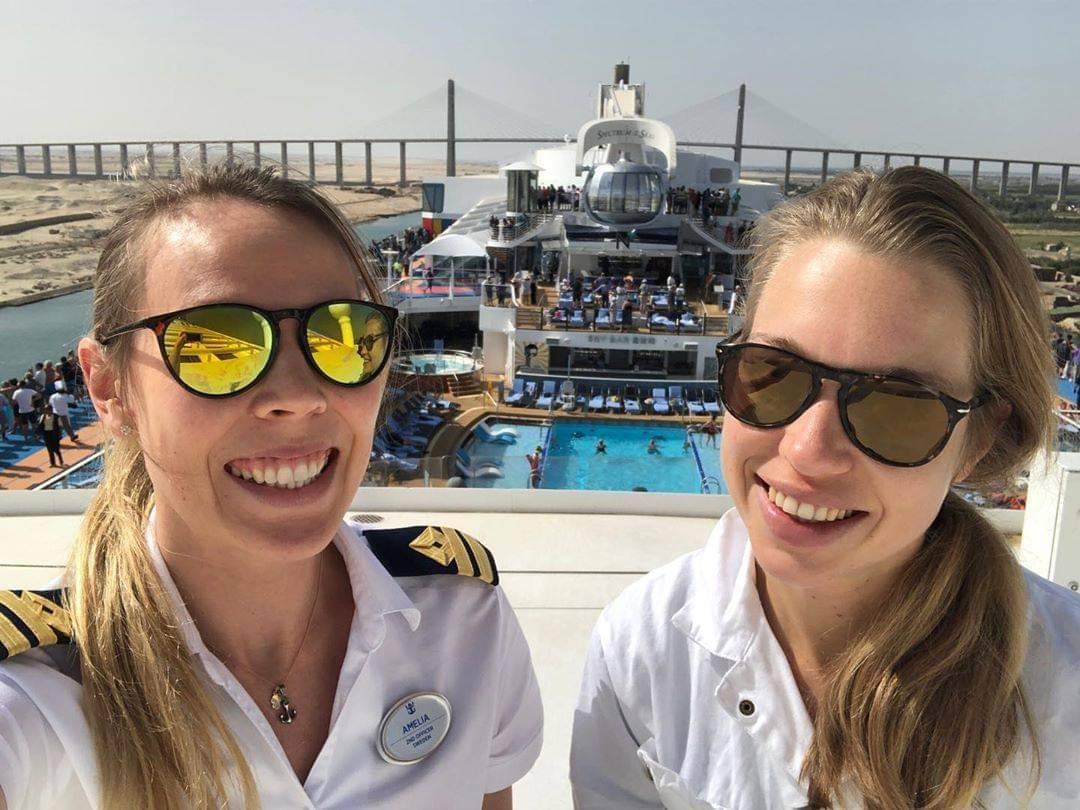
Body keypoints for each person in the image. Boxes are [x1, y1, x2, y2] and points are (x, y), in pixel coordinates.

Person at [0, 165, 542, 810]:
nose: (298, 397)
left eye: (343, 336)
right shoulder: (35, 697)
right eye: (214, 347)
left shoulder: (463, 623)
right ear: (109, 388)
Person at [570, 167, 1080, 808]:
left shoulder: (1064, 700)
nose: (807, 450)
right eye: (773, 373)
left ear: (976, 440)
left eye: (898, 405)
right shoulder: (644, 652)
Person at [36, 403, 64, 468]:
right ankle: (53, 463)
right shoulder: (43, 416)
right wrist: (38, 434)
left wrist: (60, 434)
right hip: (46, 434)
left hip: (54, 434)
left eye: (48, 410)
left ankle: (60, 459)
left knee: (56, 449)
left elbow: (60, 426)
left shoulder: (56, 416)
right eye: (46, 410)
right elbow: (40, 425)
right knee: (49, 449)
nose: (47, 411)